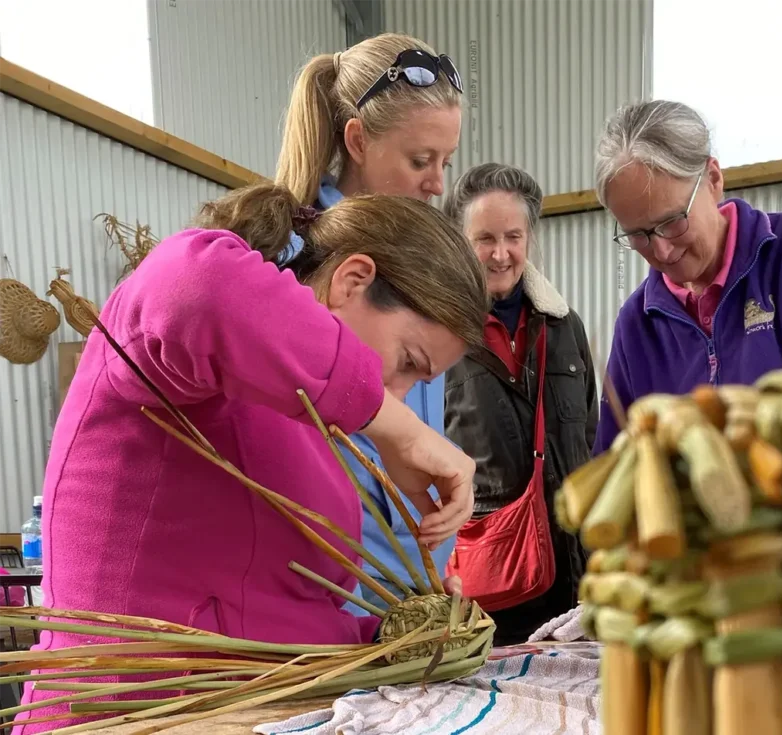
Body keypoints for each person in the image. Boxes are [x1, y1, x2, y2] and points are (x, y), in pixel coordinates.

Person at [13, 184, 488, 734]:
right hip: (119, 715)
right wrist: (389, 421)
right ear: (352, 281)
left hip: (234, 715)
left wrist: (397, 640)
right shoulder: (192, 348)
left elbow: (271, 613)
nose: (401, 395)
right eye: (408, 362)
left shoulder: (311, 433)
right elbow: (195, 287)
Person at [275, 33, 463, 606]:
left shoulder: (418, 262)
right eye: (419, 160)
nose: (437, 183)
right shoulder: (291, 266)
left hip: (405, 591)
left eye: (446, 162)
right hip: (327, 596)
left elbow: (417, 449)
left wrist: (432, 578)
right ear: (357, 140)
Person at [592, 100, 782, 454]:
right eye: (638, 235)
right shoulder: (637, 323)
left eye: (672, 222)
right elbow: (614, 458)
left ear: (713, 180)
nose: (661, 251)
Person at [441, 163, 597, 645]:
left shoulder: (564, 326)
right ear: (458, 242)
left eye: (514, 236)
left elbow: (589, 430)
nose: (500, 253)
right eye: (484, 238)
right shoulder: (437, 332)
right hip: (489, 585)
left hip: (574, 575)